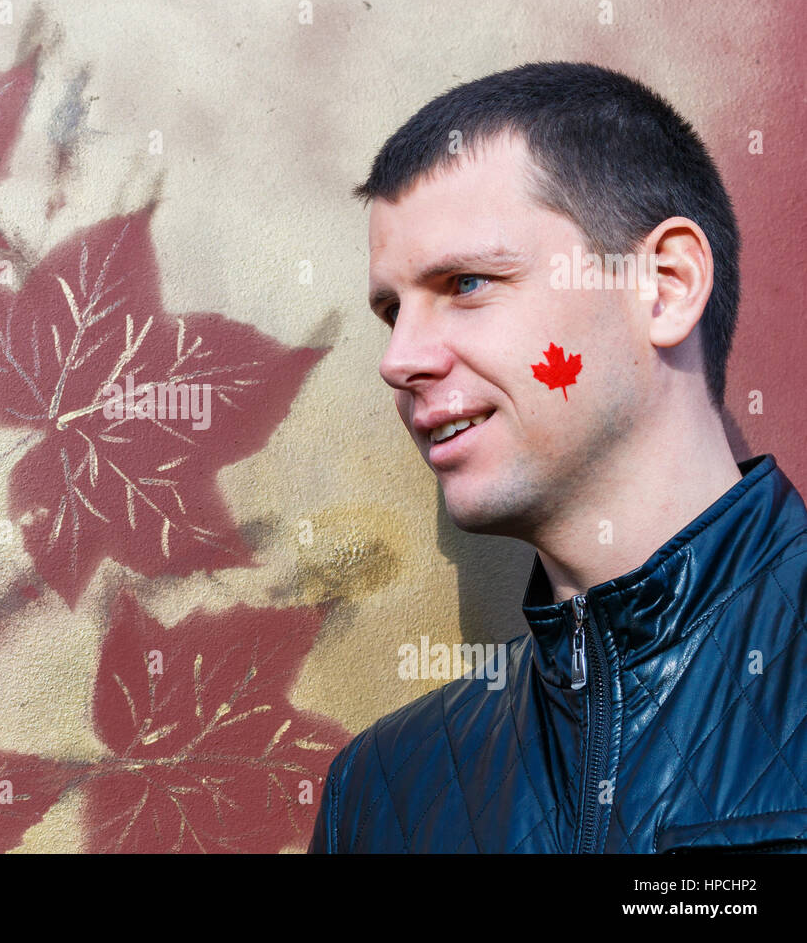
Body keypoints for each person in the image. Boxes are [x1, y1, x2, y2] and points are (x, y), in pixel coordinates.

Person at [310, 61, 807, 853]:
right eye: (391, 311)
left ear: (666, 286)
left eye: (466, 282)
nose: (398, 359)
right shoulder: (382, 791)